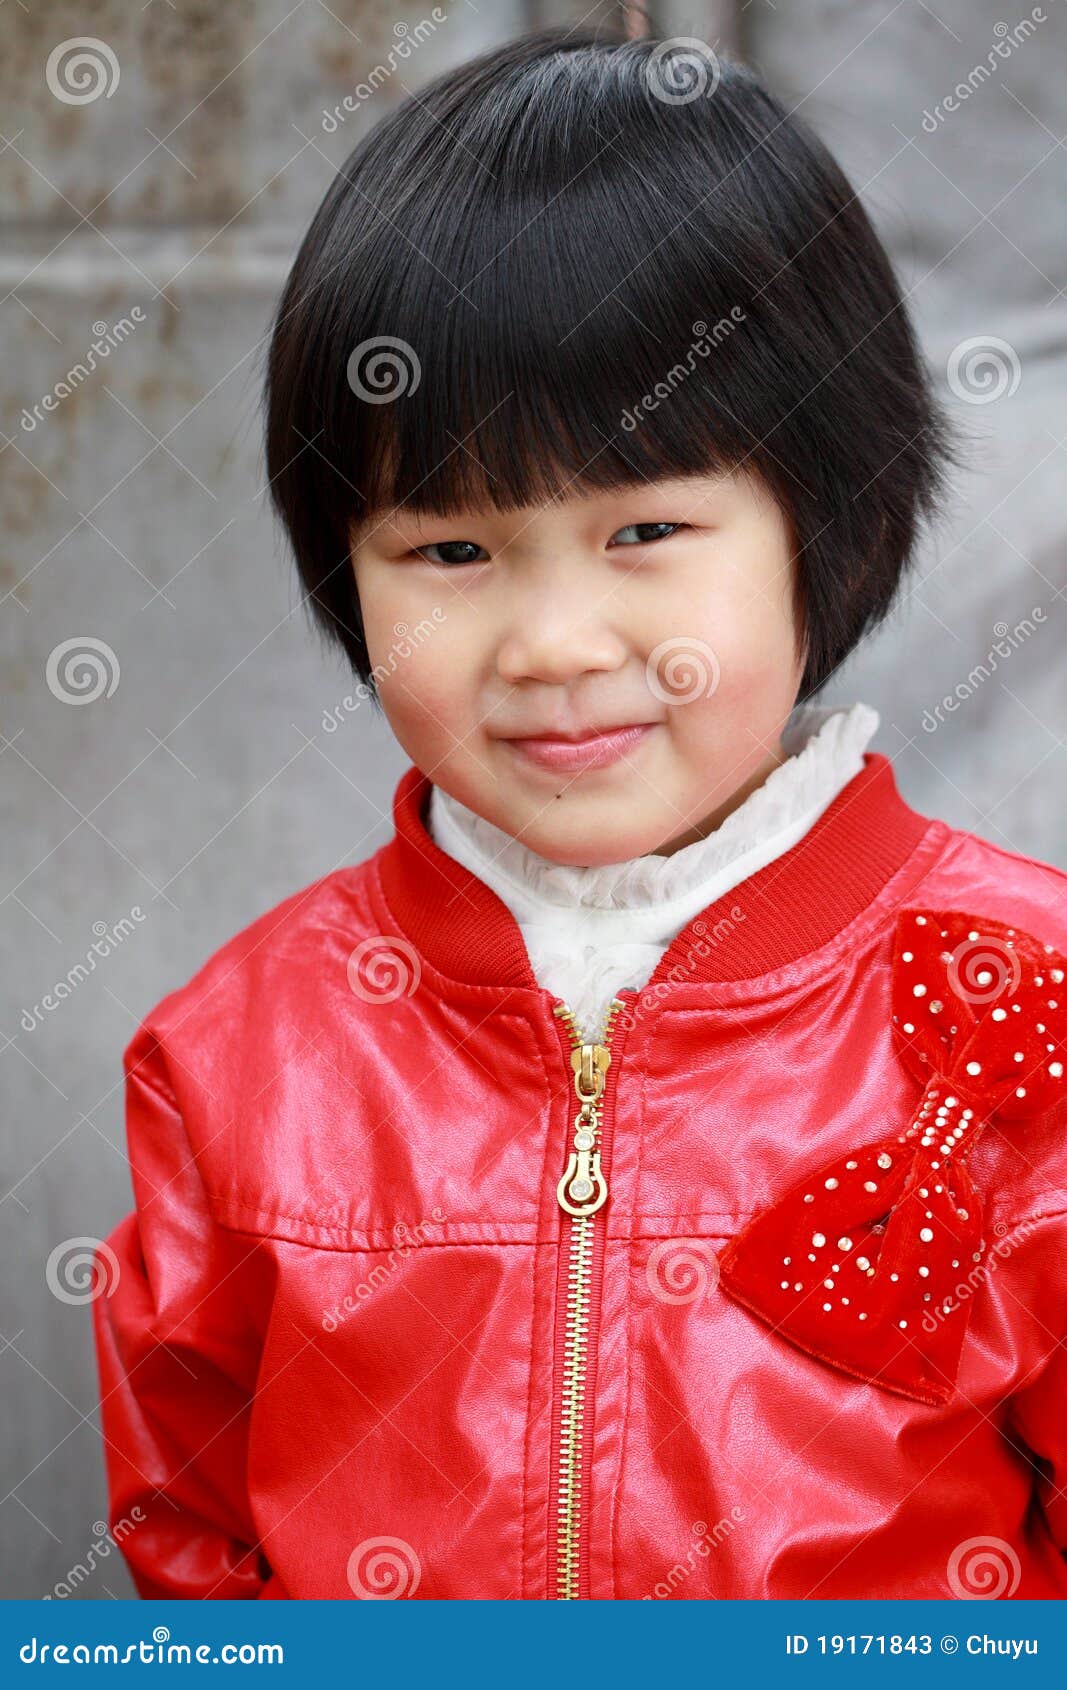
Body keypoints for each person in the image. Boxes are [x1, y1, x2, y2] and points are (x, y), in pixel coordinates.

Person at [92, 20, 1067, 1601]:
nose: (553, 647)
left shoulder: (1035, 1001)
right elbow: (196, 1557)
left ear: (827, 519)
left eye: (647, 529)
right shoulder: (237, 1055)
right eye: (453, 553)